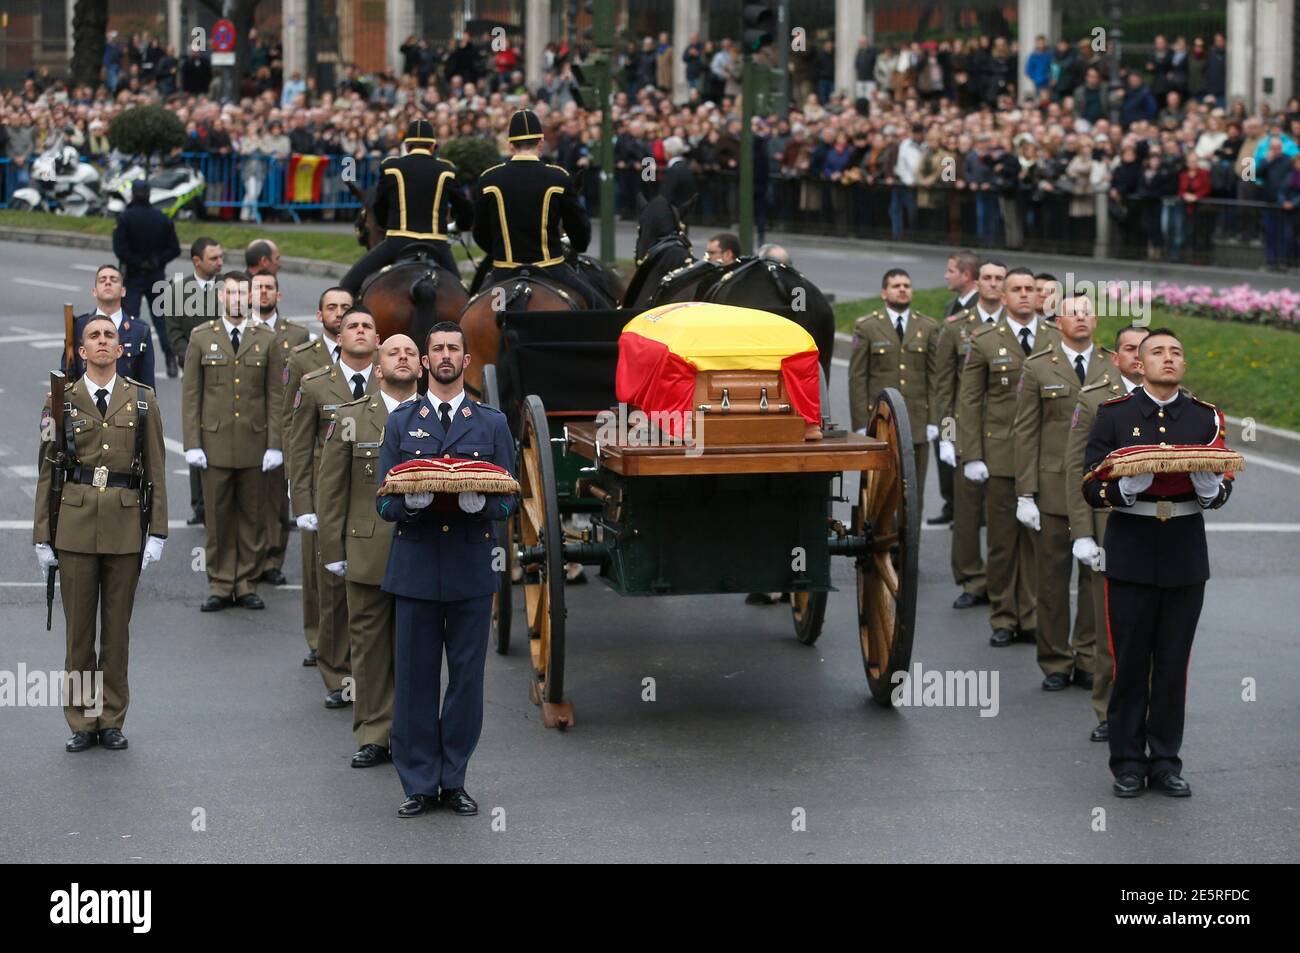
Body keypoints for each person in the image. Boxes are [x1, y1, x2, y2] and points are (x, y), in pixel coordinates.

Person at [1081, 328, 1233, 798]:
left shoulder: (1205, 418)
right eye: (1157, 353)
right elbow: (1090, 484)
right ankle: (1127, 761)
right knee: (1129, 662)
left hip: (1185, 550)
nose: (1168, 359)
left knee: (1172, 664)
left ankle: (1165, 760)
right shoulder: (1114, 415)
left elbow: (1222, 490)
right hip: (1132, 547)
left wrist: (1210, 486)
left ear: (1183, 366)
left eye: (1176, 353)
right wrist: (1126, 486)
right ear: (1137, 365)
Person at [377, 322, 517, 818]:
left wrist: (485, 503)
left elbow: (510, 503)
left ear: (465, 359)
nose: (443, 356)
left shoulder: (492, 423)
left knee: (465, 682)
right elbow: (383, 506)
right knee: (415, 680)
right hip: (415, 567)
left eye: (452, 348)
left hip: (469, 568)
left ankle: (453, 778)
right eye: (435, 348)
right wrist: (410, 503)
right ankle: (418, 782)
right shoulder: (400, 423)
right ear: (423, 361)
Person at [33, 315, 168, 752]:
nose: (104, 341)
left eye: (110, 335)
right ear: (82, 351)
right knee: (78, 635)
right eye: (95, 336)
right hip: (73, 527)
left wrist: (158, 531)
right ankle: (81, 719)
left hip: (126, 524)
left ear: (120, 348)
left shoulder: (142, 401)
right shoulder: (60, 401)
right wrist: (42, 535)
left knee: (116, 631)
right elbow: (46, 469)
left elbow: (157, 471)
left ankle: (111, 718)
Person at [318, 331, 421, 768]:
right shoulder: (350, 417)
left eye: (410, 353)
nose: (402, 357)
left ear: (423, 367)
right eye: (393, 352)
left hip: (422, 548)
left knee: (416, 647)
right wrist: (333, 548)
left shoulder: (438, 417)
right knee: (369, 646)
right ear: (378, 368)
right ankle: (374, 732)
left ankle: (413, 732)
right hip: (366, 550)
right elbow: (331, 488)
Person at [1012, 293, 1111, 691]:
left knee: (1094, 578)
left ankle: (1087, 655)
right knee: (1052, 579)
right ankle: (1055, 659)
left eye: (1088, 312)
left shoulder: (1111, 364)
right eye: (1073, 313)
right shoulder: (1038, 367)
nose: (1082, 319)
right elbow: (1026, 431)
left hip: (1097, 489)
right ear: (1056, 322)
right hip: (1053, 490)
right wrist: (1025, 493)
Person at [958, 266, 1061, 647]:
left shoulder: (1054, 337)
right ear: (1003, 297)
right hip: (999, 454)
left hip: (1042, 457)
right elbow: (969, 402)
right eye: (1014, 289)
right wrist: (971, 454)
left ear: (1038, 296)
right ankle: (1003, 615)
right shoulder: (984, 340)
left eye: (1029, 289)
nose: (1022, 295)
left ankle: (1030, 614)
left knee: (1037, 541)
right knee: (1002, 542)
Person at [289, 307, 380, 708]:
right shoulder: (314, 385)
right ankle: (338, 674)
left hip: (372, 501)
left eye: (367, 327)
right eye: (352, 327)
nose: (360, 332)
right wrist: (303, 503)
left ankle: (372, 675)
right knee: (333, 593)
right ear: (338, 339)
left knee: (372, 591)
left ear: (377, 339)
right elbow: (298, 446)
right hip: (328, 503)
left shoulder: (390, 382)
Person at [181, 271, 284, 612]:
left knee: (252, 518)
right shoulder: (201, 337)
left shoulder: (267, 339)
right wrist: (192, 442)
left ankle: (246, 582)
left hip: (255, 444)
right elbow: (191, 395)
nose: (237, 299)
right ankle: (221, 583)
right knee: (218, 518)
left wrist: (275, 444)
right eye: (231, 293)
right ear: (221, 298)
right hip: (215, 445)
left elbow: (275, 396)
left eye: (243, 293)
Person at [1067, 325, 1147, 742]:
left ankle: (1148, 711)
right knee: (1110, 630)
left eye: (1144, 349)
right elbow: (1077, 468)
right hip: (1106, 527)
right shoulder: (1096, 398)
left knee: (1150, 632)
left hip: (1154, 534)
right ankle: (1107, 710)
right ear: (1114, 358)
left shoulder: (1177, 402)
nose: (1138, 356)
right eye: (1129, 349)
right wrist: (1082, 532)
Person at [472, 109, 609, 307]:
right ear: (541, 143)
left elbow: (480, 233)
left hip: (503, 270)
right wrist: (579, 244)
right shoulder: (558, 177)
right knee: (598, 305)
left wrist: (497, 250)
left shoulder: (489, 179)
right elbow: (579, 228)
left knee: (468, 307)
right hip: (551, 268)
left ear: (510, 146)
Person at [284, 286, 354, 667]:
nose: (339, 313)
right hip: (318, 469)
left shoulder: (372, 360)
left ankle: (348, 643)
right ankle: (318, 638)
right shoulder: (303, 359)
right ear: (320, 314)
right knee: (317, 569)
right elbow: (291, 422)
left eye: (346, 307)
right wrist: (296, 481)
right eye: (332, 307)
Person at [934, 259, 1005, 610]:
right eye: (987, 278)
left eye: (999, 279)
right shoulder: (955, 328)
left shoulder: (1018, 327)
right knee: (966, 512)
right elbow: (944, 387)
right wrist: (947, 436)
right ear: (978, 283)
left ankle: (1000, 579)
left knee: (1002, 512)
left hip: (1008, 433)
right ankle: (971, 579)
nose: (993, 284)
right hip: (966, 430)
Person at [342, 119, 471, 295]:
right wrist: (459, 225)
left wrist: (387, 223)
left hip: (397, 241)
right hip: (437, 244)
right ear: (433, 146)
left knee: (347, 285)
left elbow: (379, 207)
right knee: (463, 297)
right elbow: (465, 209)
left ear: (407, 145)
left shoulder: (391, 167)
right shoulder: (446, 169)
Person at [848, 269, 939, 516]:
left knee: (913, 494)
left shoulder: (928, 326)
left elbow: (935, 377)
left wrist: (935, 421)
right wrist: (860, 424)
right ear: (883, 292)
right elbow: (858, 377)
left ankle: (909, 551)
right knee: (880, 490)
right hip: (881, 422)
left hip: (917, 423)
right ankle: (877, 544)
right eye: (896, 285)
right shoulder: (867, 326)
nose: (902, 289)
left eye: (907, 285)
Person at [249, 272, 307, 587]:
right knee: (245, 497)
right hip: (245, 425)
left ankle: (272, 559)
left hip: (283, 424)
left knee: (275, 499)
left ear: (278, 296)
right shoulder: (238, 331)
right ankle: (246, 558)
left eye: (269, 287)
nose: (264, 292)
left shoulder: (296, 336)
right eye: (258, 287)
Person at [163, 237, 223, 527]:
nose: (219, 263)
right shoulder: (179, 291)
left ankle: (221, 499)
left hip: (228, 374)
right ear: (197, 261)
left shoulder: (230, 289)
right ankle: (199, 503)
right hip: (195, 374)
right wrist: (189, 357)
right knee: (197, 435)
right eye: (213, 258)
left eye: (221, 257)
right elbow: (173, 332)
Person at [112, 179, 182, 378]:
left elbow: (120, 249)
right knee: (162, 321)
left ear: (132, 194)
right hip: (156, 275)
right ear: (150, 194)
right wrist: (157, 260)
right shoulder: (161, 218)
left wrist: (138, 261)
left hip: (133, 276)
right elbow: (174, 248)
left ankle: (128, 361)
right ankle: (170, 359)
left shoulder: (125, 218)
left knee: (129, 321)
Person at [932, 250, 980, 527]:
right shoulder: (954, 307)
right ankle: (953, 506)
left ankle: (965, 511)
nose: (946, 275)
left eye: (951, 270)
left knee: (964, 461)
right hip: (951, 406)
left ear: (966, 275)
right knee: (947, 449)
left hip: (970, 407)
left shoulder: (975, 311)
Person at [62, 265, 155, 389]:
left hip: (125, 404)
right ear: (94, 291)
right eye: (102, 280)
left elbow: (147, 385)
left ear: (123, 291)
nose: (108, 282)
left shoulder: (140, 331)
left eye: (113, 280)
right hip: (85, 404)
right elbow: (66, 372)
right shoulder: (79, 326)